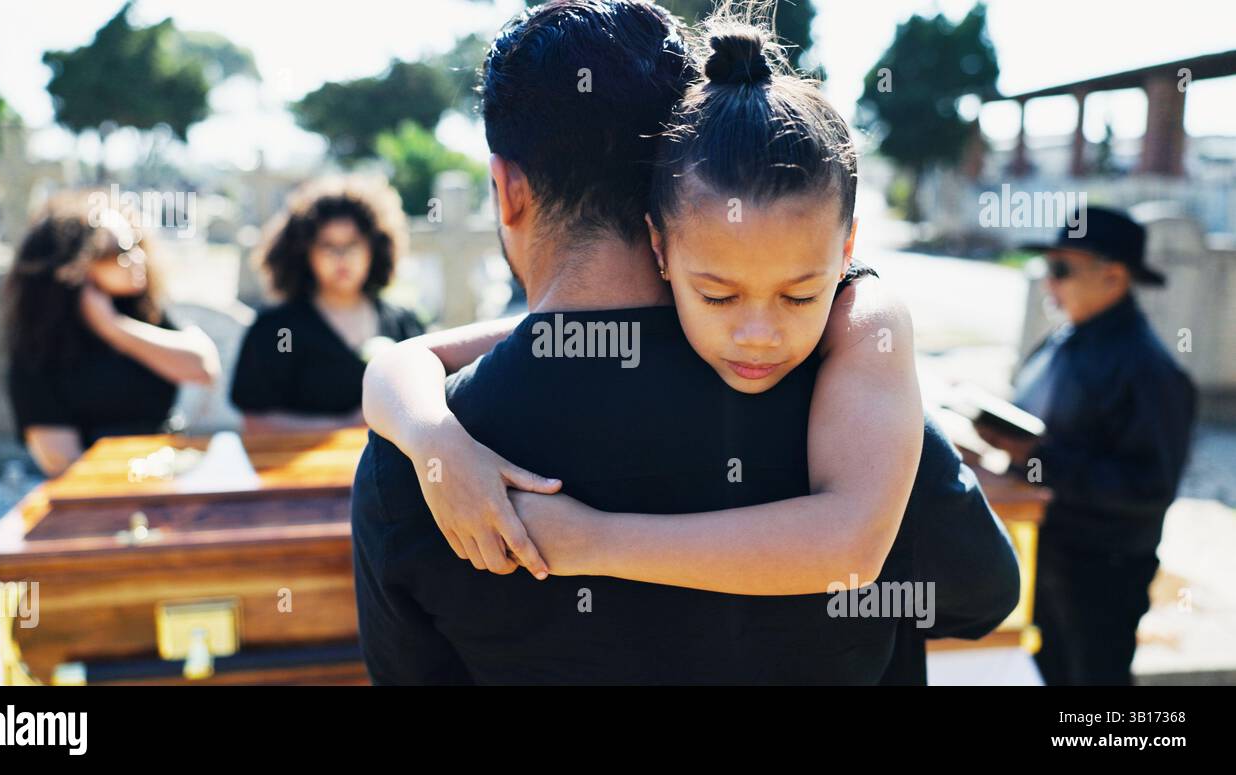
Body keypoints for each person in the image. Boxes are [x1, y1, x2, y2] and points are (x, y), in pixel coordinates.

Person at [353, 0, 1017, 684]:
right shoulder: (848, 396)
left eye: (794, 293)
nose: (758, 328)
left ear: (506, 189)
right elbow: (981, 595)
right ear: (671, 194)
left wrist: (435, 439)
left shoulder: (415, 466)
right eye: (721, 293)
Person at [978, 206, 1196, 685]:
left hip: (1101, 570)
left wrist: (1036, 460)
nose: (1049, 283)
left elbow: (1149, 486)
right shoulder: (1068, 339)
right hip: (1052, 552)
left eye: (1061, 270)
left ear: (1114, 276)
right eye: (1046, 269)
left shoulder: (1147, 369)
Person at [4, 194, 221, 477]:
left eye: (136, 244)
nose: (138, 258)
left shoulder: (141, 311)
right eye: (121, 250)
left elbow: (202, 368)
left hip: (165, 473)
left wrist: (115, 328)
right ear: (74, 267)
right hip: (101, 494)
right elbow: (62, 463)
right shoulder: (39, 352)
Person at [230, 175, 424, 433]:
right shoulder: (275, 329)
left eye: (352, 244)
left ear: (374, 248)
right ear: (304, 253)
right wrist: (343, 426)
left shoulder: (403, 323)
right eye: (327, 246)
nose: (341, 257)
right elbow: (254, 422)